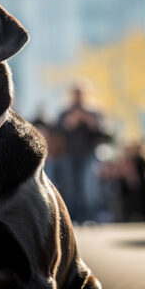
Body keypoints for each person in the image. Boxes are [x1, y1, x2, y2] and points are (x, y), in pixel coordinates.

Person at [55, 83, 108, 223]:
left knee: (89, 186)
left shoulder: (94, 112)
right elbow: (57, 131)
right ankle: (71, 217)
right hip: (68, 154)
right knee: (69, 186)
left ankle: (90, 215)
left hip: (89, 154)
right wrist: (69, 123)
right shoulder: (65, 112)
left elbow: (105, 132)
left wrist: (91, 122)